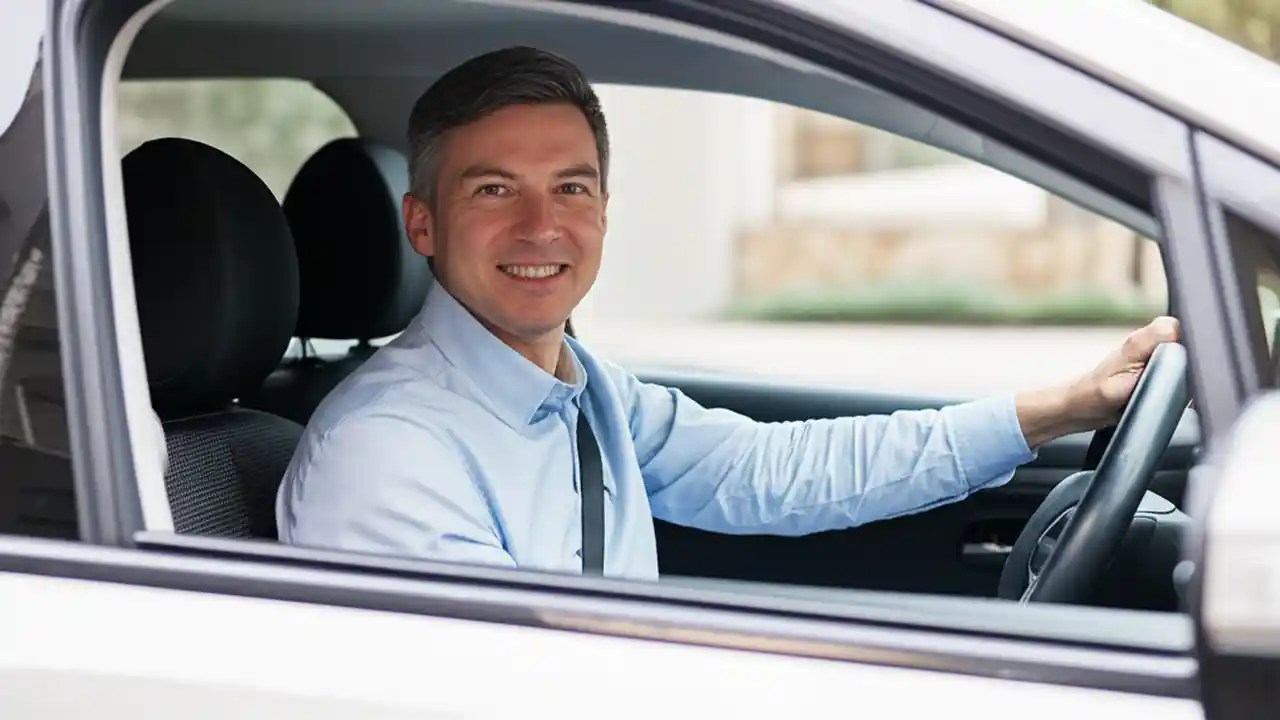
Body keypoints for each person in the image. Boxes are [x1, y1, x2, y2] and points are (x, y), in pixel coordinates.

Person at [275, 46, 1179, 580]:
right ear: (422, 223)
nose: (542, 225)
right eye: (495, 189)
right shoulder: (388, 451)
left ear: (603, 210)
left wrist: (1062, 408)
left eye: (572, 187)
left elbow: (769, 469)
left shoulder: (584, 393)